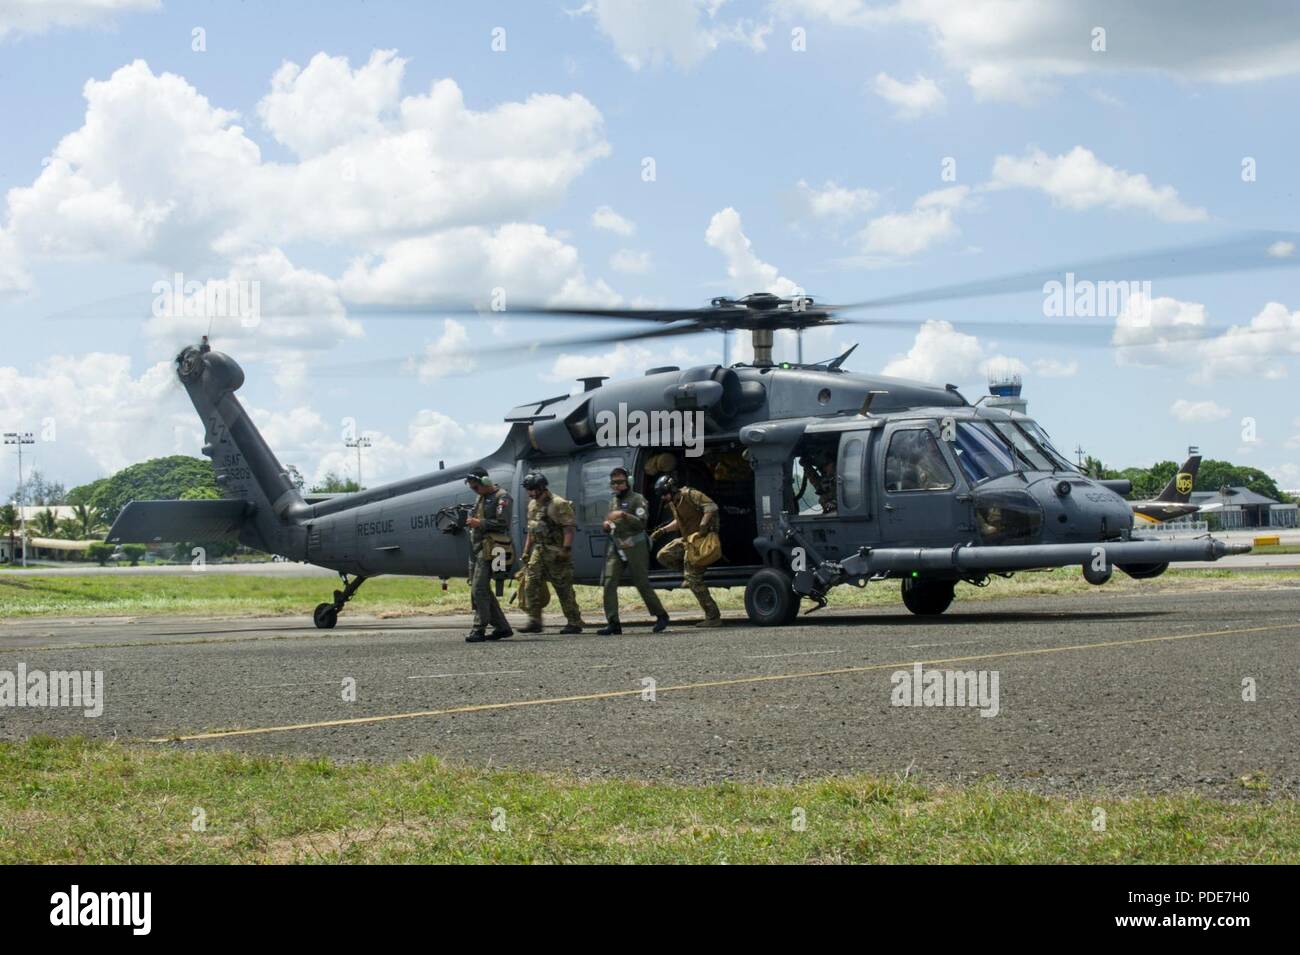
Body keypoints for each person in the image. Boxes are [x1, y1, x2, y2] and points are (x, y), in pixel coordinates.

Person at [599, 467, 670, 635]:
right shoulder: (613, 502)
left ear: (628, 482)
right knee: (609, 582)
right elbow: (611, 521)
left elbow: (641, 524)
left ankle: (661, 615)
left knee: (641, 582)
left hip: (635, 545)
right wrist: (607, 526)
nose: (616, 486)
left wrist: (624, 515)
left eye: (620, 482)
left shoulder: (638, 500)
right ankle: (613, 622)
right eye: (614, 483)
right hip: (616, 545)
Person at [650, 475, 722, 628]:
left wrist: (703, 524)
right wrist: (663, 530)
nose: (663, 498)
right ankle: (686, 574)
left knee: (693, 580)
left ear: (672, 489)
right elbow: (680, 521)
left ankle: (713, 616)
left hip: (701, 542)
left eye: (665, 494)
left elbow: (711, 507)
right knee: (663, 555)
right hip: (688, 541)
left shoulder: (690, 495)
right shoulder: (673, 502)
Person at [520, 471, 585, 634]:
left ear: (541, 487)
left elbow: (569, 529)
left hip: (556, 551)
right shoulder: (532, 505)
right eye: (528, 489)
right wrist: (526, 551)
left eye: (532, 489)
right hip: (539, 551)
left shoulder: (558, 504)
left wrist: (566, 550)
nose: (530, 493)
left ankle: (574, 622)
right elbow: (531, 531)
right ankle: (535, 620)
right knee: (530, 584)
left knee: (563, 588)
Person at [463, 466, 514, 643]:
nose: (473, 490)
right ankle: (502, 627)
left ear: (485, 482)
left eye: (475, 486)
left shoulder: (502, 497)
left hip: (494, 549)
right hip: (479, 549)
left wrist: (480, 523)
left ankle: (479, 629)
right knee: (481, 589)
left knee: (479, 589)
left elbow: (503, 523)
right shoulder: (481, 497)